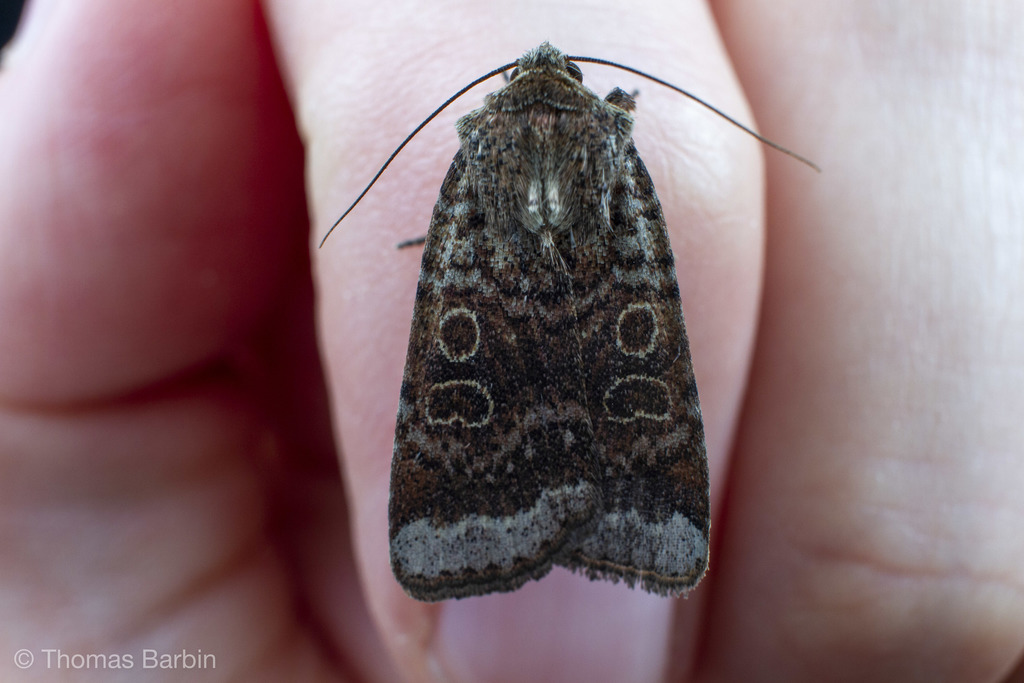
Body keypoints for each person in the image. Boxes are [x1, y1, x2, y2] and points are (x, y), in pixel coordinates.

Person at [1, 1, 1021, 681]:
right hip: (622, 340)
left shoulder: (474, 147)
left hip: (470, 345)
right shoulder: (615, 152)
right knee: (647, 330)